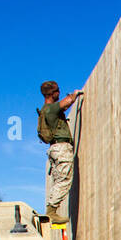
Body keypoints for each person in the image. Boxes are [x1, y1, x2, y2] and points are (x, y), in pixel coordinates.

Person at [38, 81, 82, 224]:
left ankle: (52, 209)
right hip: (62, 148)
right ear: (52, 94)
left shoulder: (47, 110)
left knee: (59, 180)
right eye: (57, 91)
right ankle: (52, 211)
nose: (59, 93)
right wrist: (75, 94)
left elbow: (65, 105)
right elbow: (67, 101)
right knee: (64, 180)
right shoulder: (51, 109)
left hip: (55, 149)